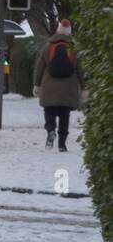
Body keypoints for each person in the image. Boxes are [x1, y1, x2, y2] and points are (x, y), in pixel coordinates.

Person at [32, 19, 84, 152]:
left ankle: (50, 130)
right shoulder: (73, 47)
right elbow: (80, 69)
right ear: (69, 33)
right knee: (64, 115)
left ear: (58, 30)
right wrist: (85, 87)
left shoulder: (48, 46)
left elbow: (39, 67)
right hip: (68, 88)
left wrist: (37, 85)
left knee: (49, 111)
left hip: (50, 86)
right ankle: (62, 144)